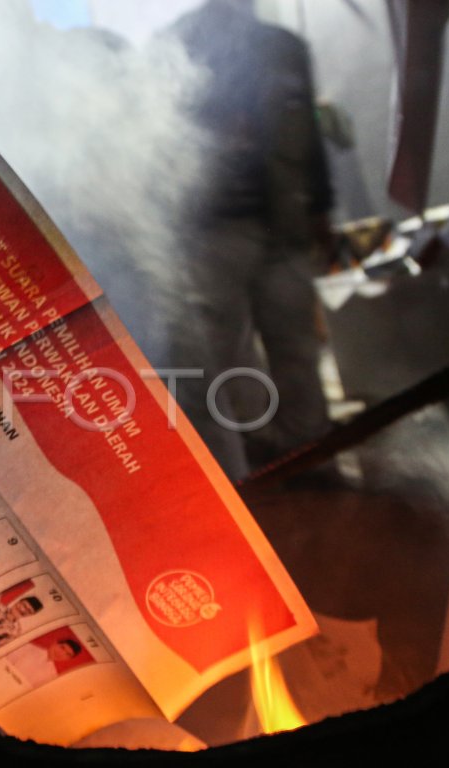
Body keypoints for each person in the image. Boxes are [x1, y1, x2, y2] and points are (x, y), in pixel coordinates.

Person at [168, 0, 335, 477]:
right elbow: (160, 141)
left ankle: (315, 464)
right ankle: (249, 476)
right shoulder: (176, 44)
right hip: (211, 230)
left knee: (297, 349)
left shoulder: (284, 47)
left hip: (284, 226)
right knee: (219, 360)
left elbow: (309, 133)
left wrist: (320, 207)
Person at [6, 636, 84, 689]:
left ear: (68, 659)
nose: (61, 654)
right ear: (55, 643)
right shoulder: (26, 647)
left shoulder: (52, 677)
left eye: (67, 654)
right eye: (62, 648)